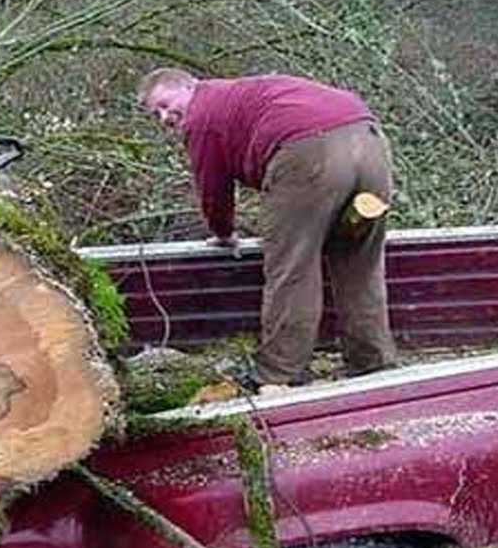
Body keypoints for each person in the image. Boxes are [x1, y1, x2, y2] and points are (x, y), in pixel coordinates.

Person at [139, 67, 398, 391]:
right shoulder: (239, 94)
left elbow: (213, 187)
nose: (165, 117)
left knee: (292, 267)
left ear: (189, 87)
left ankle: (280, 372)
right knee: (360, 261)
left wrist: (222, 232)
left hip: (310, 155)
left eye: (165, 105)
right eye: (156, 114)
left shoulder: (201, 116)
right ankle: (372, 363)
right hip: (370, 143)